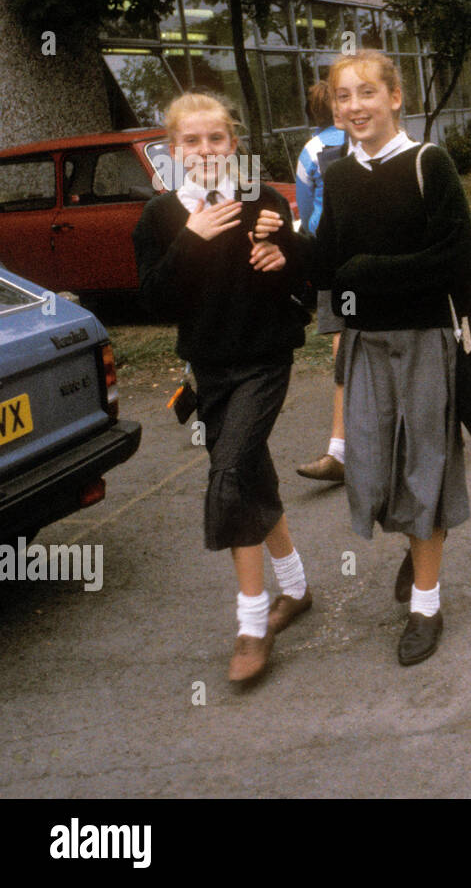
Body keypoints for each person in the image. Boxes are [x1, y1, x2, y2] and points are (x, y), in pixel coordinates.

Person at [133, 92, 311, 684]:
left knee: (230, 474)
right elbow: (155, 303)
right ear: (173, 149)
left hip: (265, 360)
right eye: (192, 141)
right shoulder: (158, 217)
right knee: (252, 470)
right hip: (209, 369)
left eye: (216, 139)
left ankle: (251, 623)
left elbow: (307, 282)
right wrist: (192, 238)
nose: (205, 150)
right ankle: (297, 588)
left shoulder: (261, 198)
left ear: (232, 144)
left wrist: (280, 253)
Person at [313, 49, 471, 667]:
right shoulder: (337, 173)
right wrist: (278, 251)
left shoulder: (427, 163)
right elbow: (327, 259)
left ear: (394, 97)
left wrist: (369, 273)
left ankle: (427, 604)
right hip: (364, 346)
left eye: (366, 94)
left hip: (424, 341)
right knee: (372, 472)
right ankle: (416, 549)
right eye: (343, 97)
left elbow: (456, 258)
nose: (354, 107)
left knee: (425, 470)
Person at [294, 81, 350, 484]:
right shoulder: (373, 138)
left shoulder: (311, 151)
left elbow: (308, 211)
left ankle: (341, 450)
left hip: (334, 258)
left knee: (343, 348)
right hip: (367, 254)